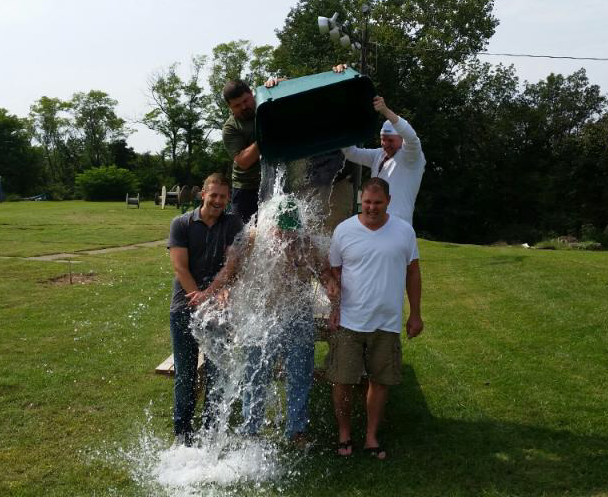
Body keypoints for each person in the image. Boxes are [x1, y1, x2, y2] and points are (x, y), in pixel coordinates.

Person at [202, 196, 338, 447]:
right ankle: (250, 430)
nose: (285, 237)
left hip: (298, 318)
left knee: (300, 376)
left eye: (290, 231)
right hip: (262, 317)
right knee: (256, 374)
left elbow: (324, 272)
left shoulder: (306, 245)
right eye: (280, 230)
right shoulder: (253, 240)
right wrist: (220, 291)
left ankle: (296, 431)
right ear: (271, 224)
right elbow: (230, 270)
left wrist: (329, 283)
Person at [327, 177, 423, 459]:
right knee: (342, 380)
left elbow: (413, 272)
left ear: (388, 202)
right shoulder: (344, 230)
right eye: (367, 202)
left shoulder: (404, 232)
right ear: (360, 200)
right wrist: (333, 303)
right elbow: (333, 271)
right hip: (349, 320)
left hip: (387, 321)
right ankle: (344, 433)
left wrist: (415, 314)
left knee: (379, 382)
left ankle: (371, 436)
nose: (371, 208)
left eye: (377, 203)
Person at [167, 173, 245, 446]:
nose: (218, 201)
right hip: (183, 307)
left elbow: (232, 265)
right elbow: (180, 267)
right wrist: (197, 297)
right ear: (203, 194)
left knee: (216, 371)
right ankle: (182, 432)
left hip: (218, 308)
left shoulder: (233, 223)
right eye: (213, 195)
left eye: (223, 196)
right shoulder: (181, 223)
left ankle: (211, 429)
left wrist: (210, 294)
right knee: (186, 373)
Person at [334, 64, 425, 226]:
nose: (385, 144)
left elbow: (412, 137)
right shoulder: (378, 155)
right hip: (373, 224)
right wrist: (344, 122)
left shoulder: (411, 157)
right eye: (383, 139)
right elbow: (350, 152)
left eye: (391, 140)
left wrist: (385, 110)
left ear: (401, 139)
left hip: (398, 227)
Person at [221, 79, 261, 223]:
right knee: (241, 237)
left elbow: (291, 87)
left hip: (275, 182)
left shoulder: (265, 101)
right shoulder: (230, 128)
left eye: (246, 100)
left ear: (252, 93)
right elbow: (243, 161)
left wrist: (278, 81)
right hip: (246, 189)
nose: (244, 107)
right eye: (237, 105)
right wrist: (265, 137)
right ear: (230, 107)